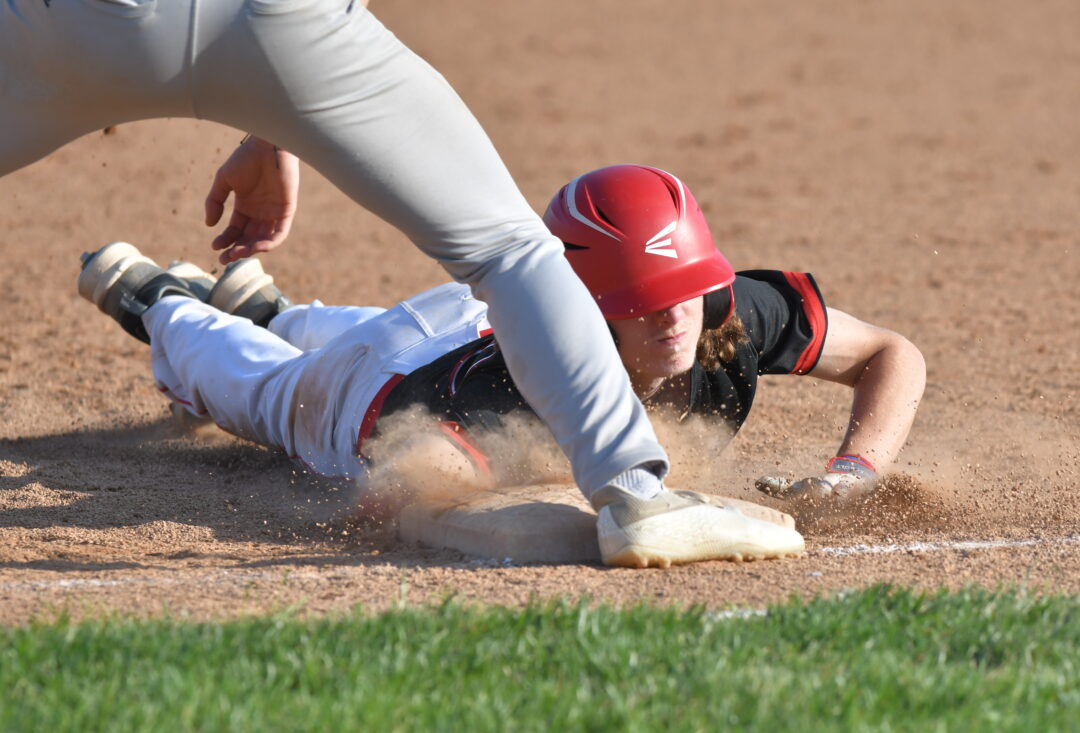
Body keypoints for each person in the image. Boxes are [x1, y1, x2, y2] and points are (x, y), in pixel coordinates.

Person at [1, 0, 710, 563]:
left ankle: (237, 310)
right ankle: (636, 493)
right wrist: (270, 119)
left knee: (357, 352)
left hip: (65, 23)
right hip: (276, 25)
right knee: (511, 251)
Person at [76, 164, 926, 567]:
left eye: (685, 291)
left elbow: (894, 354)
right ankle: (157, 299)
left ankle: (269, 309)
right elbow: (398, 490)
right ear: (584, 310)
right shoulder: (507, 390)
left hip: (464, 316)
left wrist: (854, 472)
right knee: (262, 390)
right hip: (372, 384)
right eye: (643, 300)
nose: (674, 315)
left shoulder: (724, 313)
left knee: (340, 330)